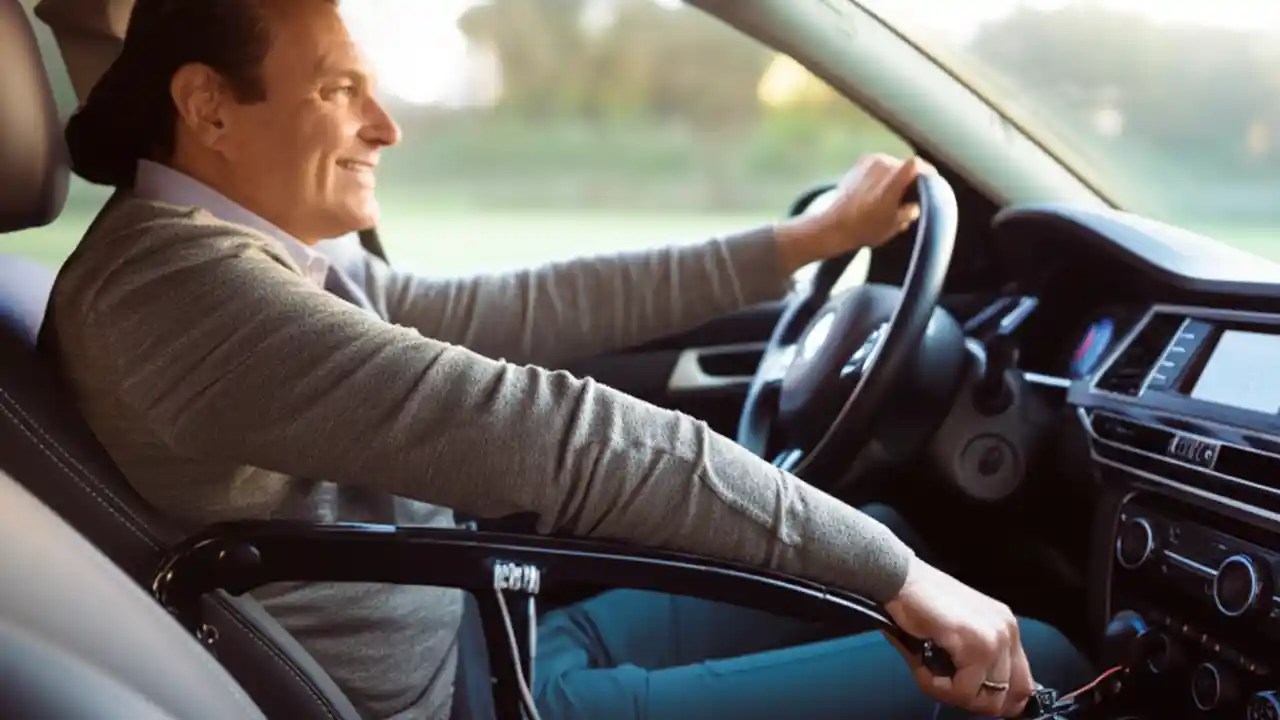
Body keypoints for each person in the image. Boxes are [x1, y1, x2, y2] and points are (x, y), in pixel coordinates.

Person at [41, 0, 1090, 718]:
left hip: (495, 630)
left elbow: (518, 309)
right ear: (209, 106)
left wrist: (798, 244)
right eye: (338, 90)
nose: (387, 126)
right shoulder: (181, 294)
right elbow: (554, 434)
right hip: (482, 698)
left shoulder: (236, 261)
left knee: (894, 538)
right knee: (1028, 661)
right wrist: (899, 580)